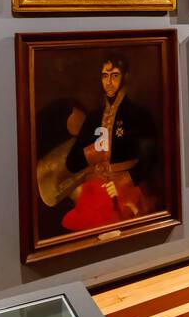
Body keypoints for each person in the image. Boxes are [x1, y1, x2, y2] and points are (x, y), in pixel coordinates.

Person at [62, 55, 156, 231]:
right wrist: (95, 153)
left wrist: (122, 184)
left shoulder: (138, 115)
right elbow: (72, 162)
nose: (109, 82)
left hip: (129, 192)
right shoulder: (93, 117)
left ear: (125, 77)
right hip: (96, 191)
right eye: (105, 76)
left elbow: (150, 160)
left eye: (115, 75)